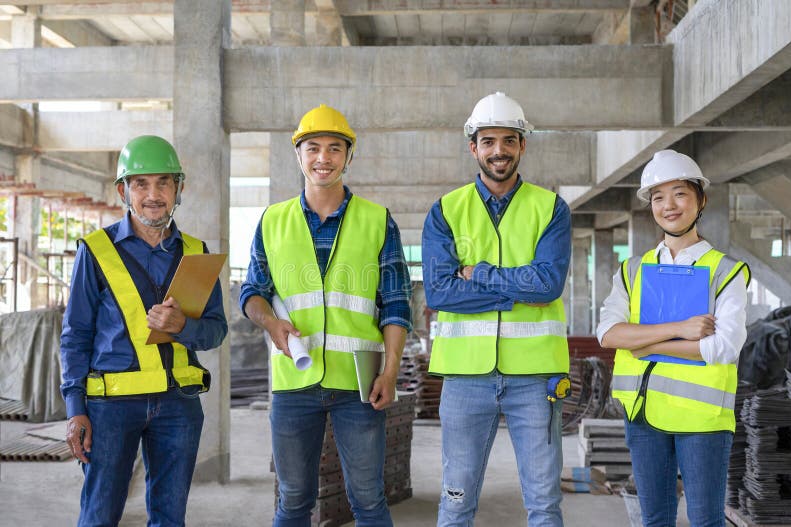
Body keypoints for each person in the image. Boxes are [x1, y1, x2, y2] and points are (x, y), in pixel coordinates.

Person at [239, 104, 412, 526]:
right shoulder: (272, 221)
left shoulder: (377, 220)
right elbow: (251, 293)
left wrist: (389, 373)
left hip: (360, 383)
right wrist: (270, 322)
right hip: (294, 382)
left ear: (348, 157)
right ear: (298, 155)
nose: (323, 158)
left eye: (335, 148)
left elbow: (396, 304)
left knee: (369, 499)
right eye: (313, 147)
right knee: (294, 500)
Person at [60, 135, 228, 527]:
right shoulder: (96, 250)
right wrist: (75, 408)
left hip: (179, 405)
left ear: (179, 189)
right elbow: (76, 334)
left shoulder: (197, 253)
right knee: (99, 514)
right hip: (110, 408)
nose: (153, 194)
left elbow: (216, 331)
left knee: (170, 518)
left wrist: (183, 327)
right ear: (123, 190)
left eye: (164, 183)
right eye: (141, 183)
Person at [422, 92, 572, 527]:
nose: (499, 150)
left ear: (523, 145)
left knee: (545, 504)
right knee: (455, 503)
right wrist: (515, 290)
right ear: (474, 147)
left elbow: (547, 284)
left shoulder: (551, 209)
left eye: (508, 140)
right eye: (488, 141)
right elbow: (439, 292)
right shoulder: (446, 211)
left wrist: (480, 273)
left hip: (535, 378)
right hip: (466, 378)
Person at [596, 149, 750, 527]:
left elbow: (720, 348)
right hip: (644, 415)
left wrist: (641, 344)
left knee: (705, 521)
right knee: (654, 520)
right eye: (658, 197)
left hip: (702, 420)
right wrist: (679, 330)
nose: (669, 205)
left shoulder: (726, 273)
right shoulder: (633, 271)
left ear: (701, 200)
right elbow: (607, 334)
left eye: (679, 193)